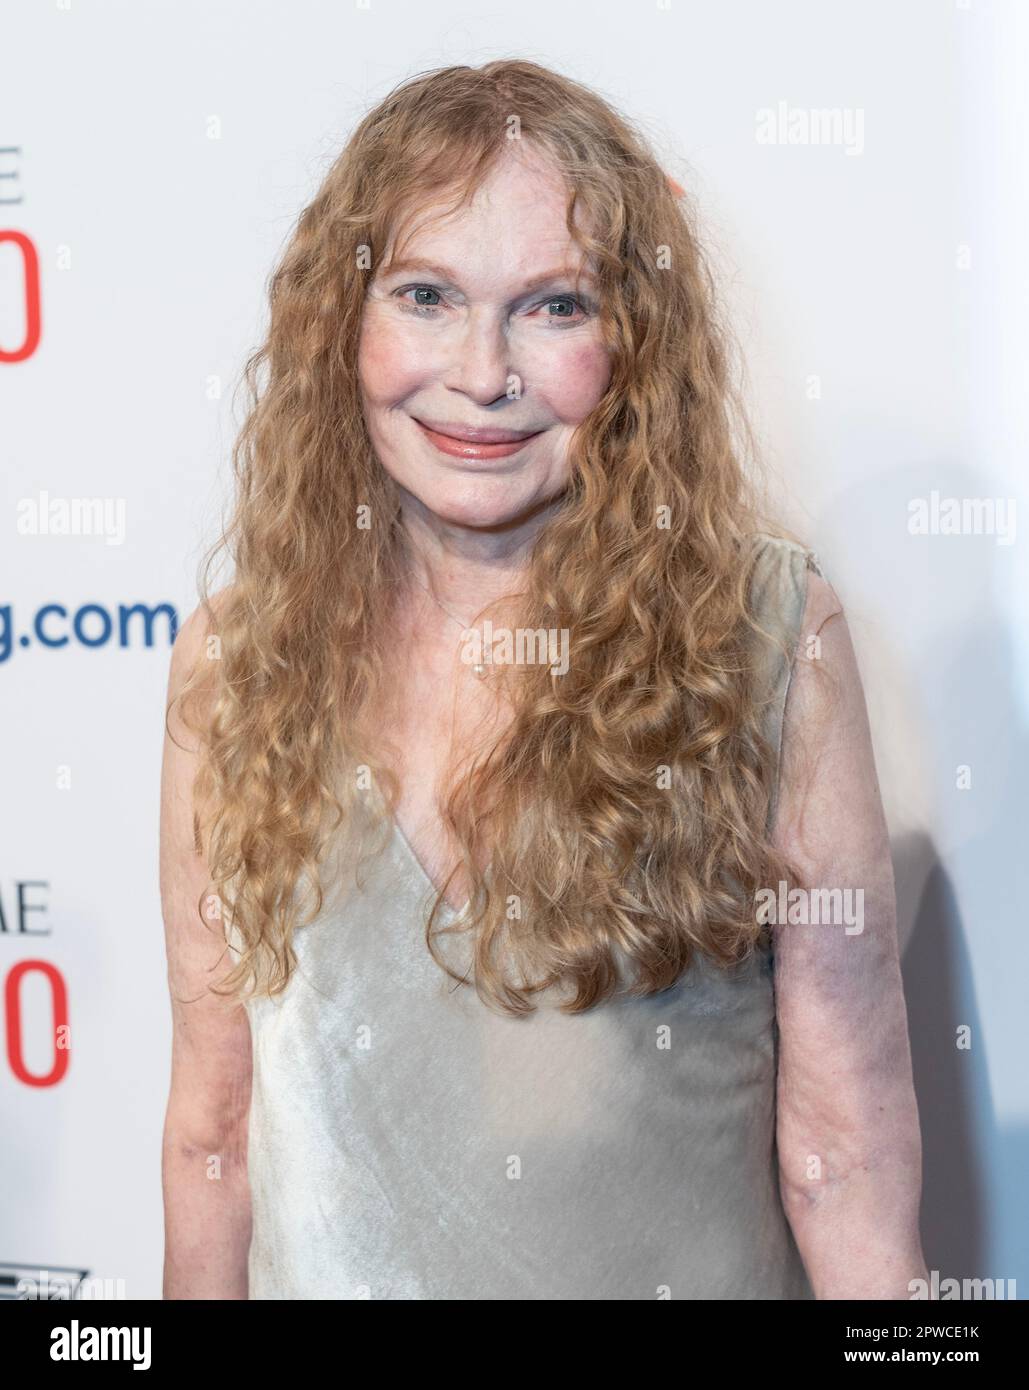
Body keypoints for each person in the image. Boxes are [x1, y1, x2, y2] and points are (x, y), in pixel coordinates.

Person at [160, 59, 927, 1300]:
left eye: (553, 307)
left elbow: (847, 1160)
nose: (481, 373)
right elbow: (213, 1129)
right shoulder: (235, 663)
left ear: (634, 341)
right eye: (426, 295)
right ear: (341, 324)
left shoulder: (772, 638)